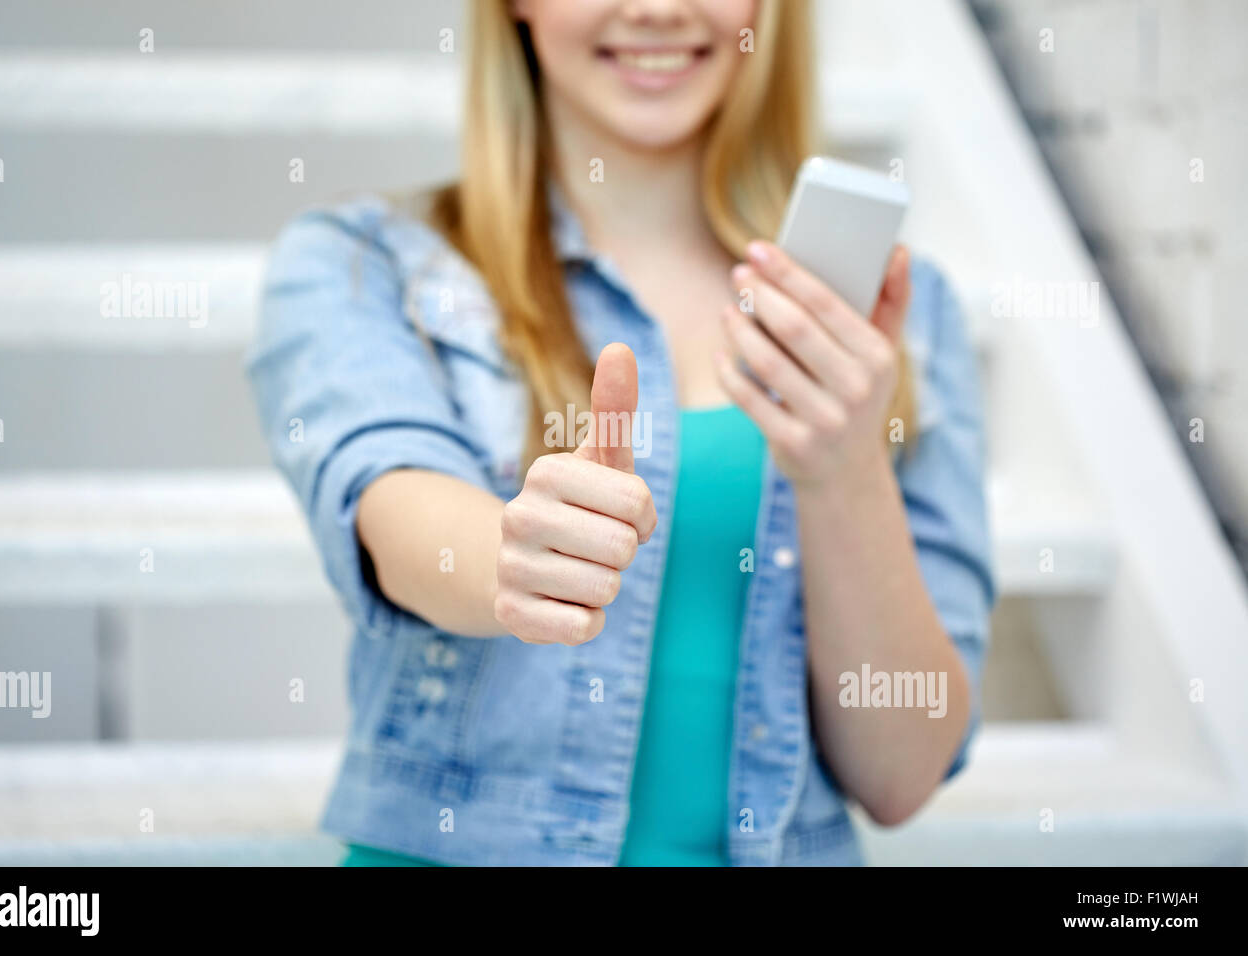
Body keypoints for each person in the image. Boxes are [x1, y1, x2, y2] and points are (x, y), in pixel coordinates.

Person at [247, 0, 994, 866]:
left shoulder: (898, 314)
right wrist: (514, 555)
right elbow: (393, 504)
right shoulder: (364, 266)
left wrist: (844, 470)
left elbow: (902, 776)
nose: (656, 9)